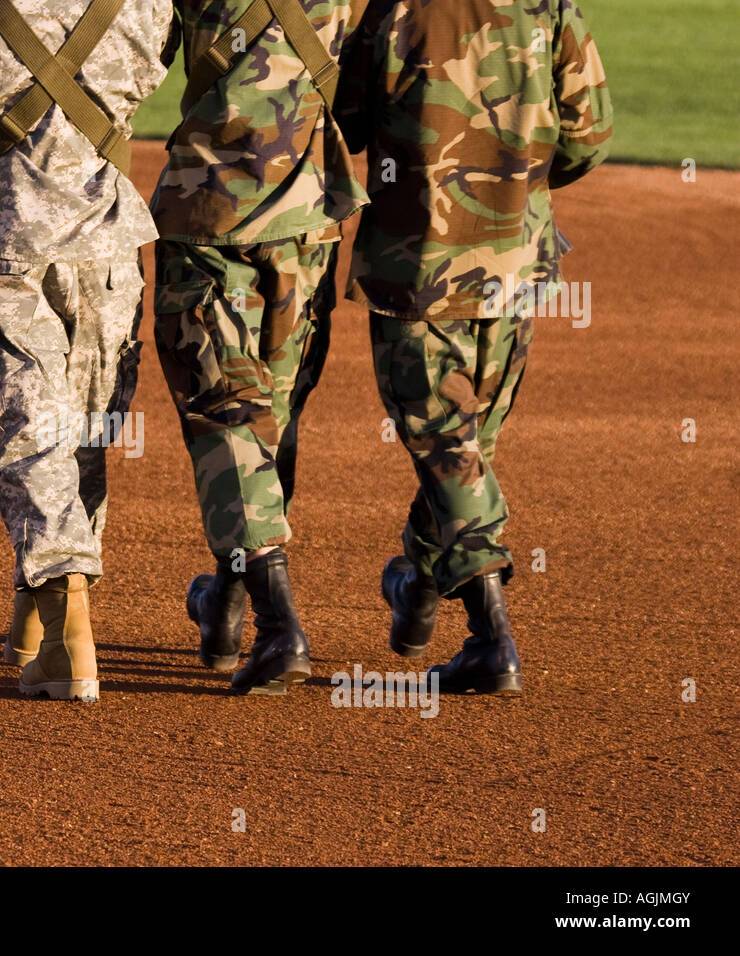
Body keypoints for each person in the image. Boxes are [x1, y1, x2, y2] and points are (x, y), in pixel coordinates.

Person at [334, 0, 612, 694]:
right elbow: (589, 133)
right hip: (515, 260)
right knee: (464, 444)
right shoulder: (548, 5)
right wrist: (520, 185)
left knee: (446, 445)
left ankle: (492, 639)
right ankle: (420, 582)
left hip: (416, 261)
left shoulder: (390, 6)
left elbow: (349, 123)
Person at [0, 0, 178, 701]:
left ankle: (66, 607)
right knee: (81, 433)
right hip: (108, 240)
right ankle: (37, 605)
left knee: (23, 425)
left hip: (8, 232)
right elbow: (151, 72)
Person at [150, 0, 368, 694]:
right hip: (309, 218)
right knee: (269, 416)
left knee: (226, 412)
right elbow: (367, 81)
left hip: (211, 208)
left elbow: (131, 58)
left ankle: (278, 626)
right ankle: (228, 606)